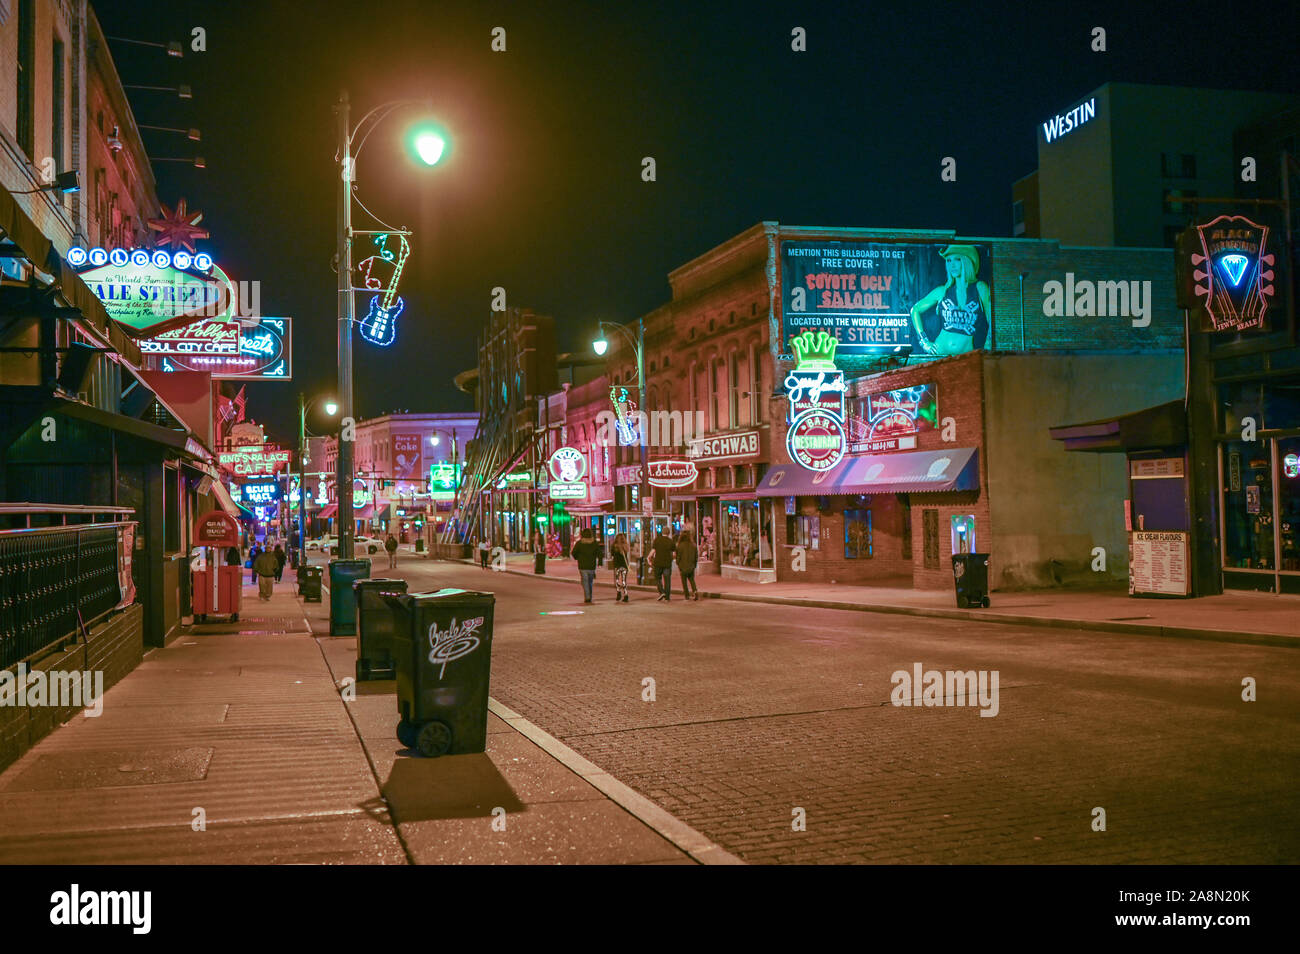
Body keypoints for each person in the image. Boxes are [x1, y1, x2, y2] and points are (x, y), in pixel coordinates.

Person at [909, 244, 991, 356]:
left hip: (966, 356)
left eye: (957, 259)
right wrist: (924, 342)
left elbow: (992, 319)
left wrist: (988, 343)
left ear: (966, 261)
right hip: (939, 353)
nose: (952, 265)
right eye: (948, 260)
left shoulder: (980, 288)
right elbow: (915, 310)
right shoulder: (942, 291)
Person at [570, 528, 601, 603]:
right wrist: (599, 562)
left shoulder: (580, 543)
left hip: (582, 565)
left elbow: (573, 553)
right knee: (590, 582)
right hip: (591, 565)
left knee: (585, 582)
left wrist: (578, 558)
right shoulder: (594, 543)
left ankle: (587, 597)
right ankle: (589, 595)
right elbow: (599, 553)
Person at [650, 527, 676, 602]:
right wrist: (671, 558)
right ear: (668, 533)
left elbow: (653, 551)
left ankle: (661, 592)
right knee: (667, 580)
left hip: (658, 563)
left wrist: (649, 557)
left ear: (662, 532)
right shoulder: (671, 542)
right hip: (667, 563)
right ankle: (667, 597)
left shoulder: (657, 540)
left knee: (658, 578)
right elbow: (674, 554)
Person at [676, 530, 699, 601]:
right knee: (692, 580)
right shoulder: (693, 545)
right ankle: (695, 591)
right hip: (691, 566)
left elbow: (678, 557)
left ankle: (687, 595)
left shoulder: (680, 546)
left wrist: (678, 564)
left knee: (684, 582)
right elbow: (696, 557)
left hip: (683, 566)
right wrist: (694, 565)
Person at [610, 532, 630, 603]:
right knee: (624, 580)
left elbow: (612, 555)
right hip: (624, 565)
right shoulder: (625, 546)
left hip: (617, 565)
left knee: (617, 580)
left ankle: (618, 593)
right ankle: (626, 594)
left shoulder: (614, 546)